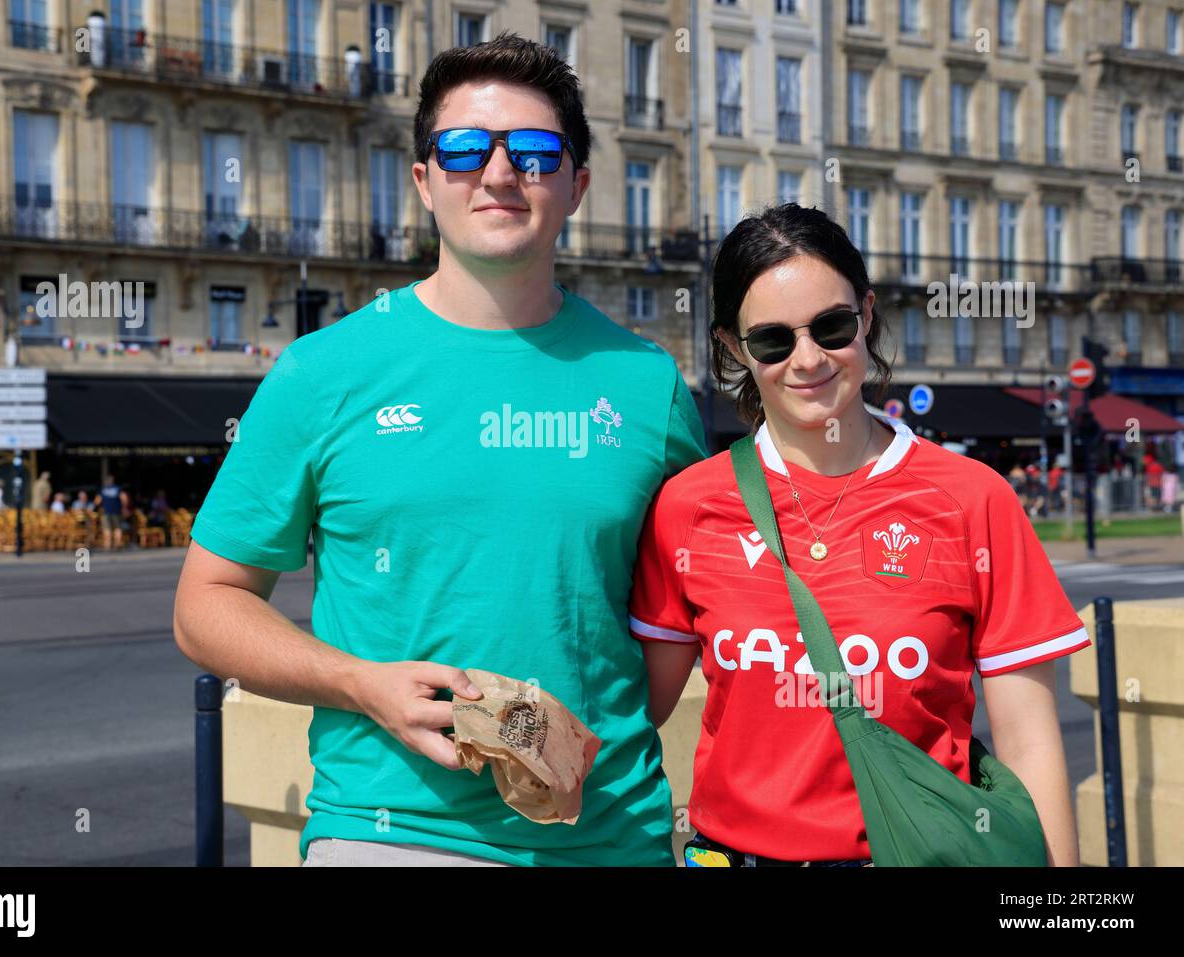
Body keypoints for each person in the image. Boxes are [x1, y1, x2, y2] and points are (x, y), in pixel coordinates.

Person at [173, 31, 707, 868]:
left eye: (534, 152)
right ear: (424, 180)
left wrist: (602, 723)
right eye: (464, 149)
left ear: (576, 185)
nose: (498, 174)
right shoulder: (323, 371)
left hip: (613, 835)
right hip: (392, 830)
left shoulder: (649, 384)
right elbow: (206, 604)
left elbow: (686, 604)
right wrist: (362, 684)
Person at [631, 203, 1090, 867]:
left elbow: (1030, 744)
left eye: (833, 326)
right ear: (733, 347)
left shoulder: (974, 498)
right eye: (773, 340)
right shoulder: (690, 505)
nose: (809, 359)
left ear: (867, 315)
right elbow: (630, 706)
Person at [96, 474, 123, 550]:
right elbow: (124, 498)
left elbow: (97, 501)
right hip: (116, 510)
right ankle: (117, 544)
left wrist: (96, 507)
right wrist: (124, 507)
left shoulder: (103, 489)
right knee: (117, 528)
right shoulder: (117, 488)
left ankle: (107, 545)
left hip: (106, 512)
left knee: (106, 528)